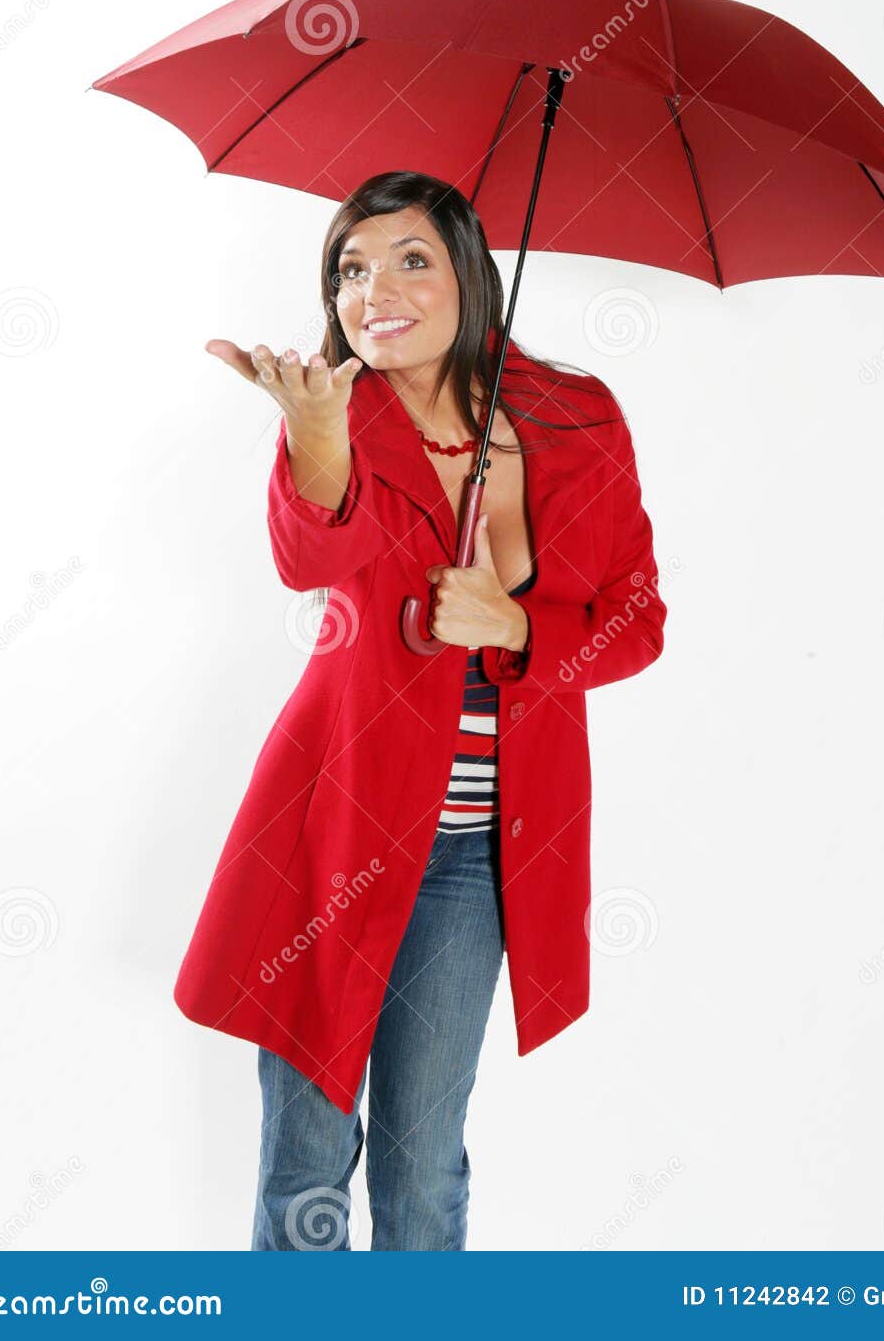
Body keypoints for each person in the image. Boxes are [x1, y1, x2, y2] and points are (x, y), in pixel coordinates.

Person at [174, 170, 668, 1250]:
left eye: (410, 258)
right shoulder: (337, 410)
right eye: (350, 266)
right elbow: (305, 555)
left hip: (481, 852)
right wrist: (313, 436)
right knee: (305, 1155)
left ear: (470, 277)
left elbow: (635, 621)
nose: (373, 287)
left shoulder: (575, 417)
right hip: (335, 825)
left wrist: (515, 626)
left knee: (421, 1158)